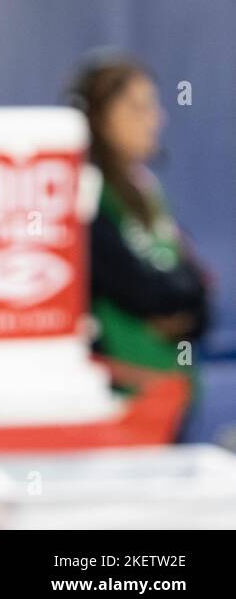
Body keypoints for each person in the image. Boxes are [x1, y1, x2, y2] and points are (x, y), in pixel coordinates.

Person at [65, 51, 212, 412]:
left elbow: (197, 284)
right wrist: (174, 297)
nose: (156, 119)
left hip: (171, 391)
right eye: (137, 108)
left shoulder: (147, 191)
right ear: (99, 117)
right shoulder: (85, 192)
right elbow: (132, 285)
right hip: (120, 398)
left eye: (153, 106)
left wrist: (188, 305)